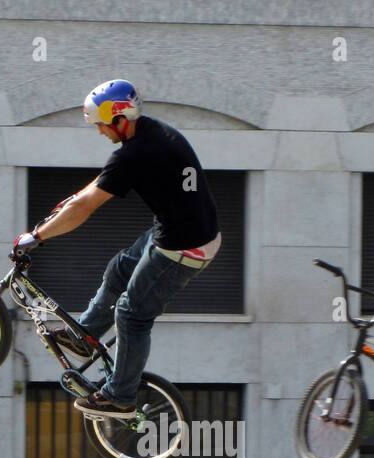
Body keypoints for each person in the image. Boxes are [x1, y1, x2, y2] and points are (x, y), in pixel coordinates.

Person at [12, 79, 221, 417]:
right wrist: (69, 202)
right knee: (120, 268)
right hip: (173, 232)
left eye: (101, 125)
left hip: (186, 248)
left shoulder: (136, 154)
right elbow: (96, 186)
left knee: (131, 314)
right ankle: (87, 335)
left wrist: (38, 237)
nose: (99, 132)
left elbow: (86, 208)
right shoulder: (149, 134)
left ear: (119, 119)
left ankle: (120, 396)